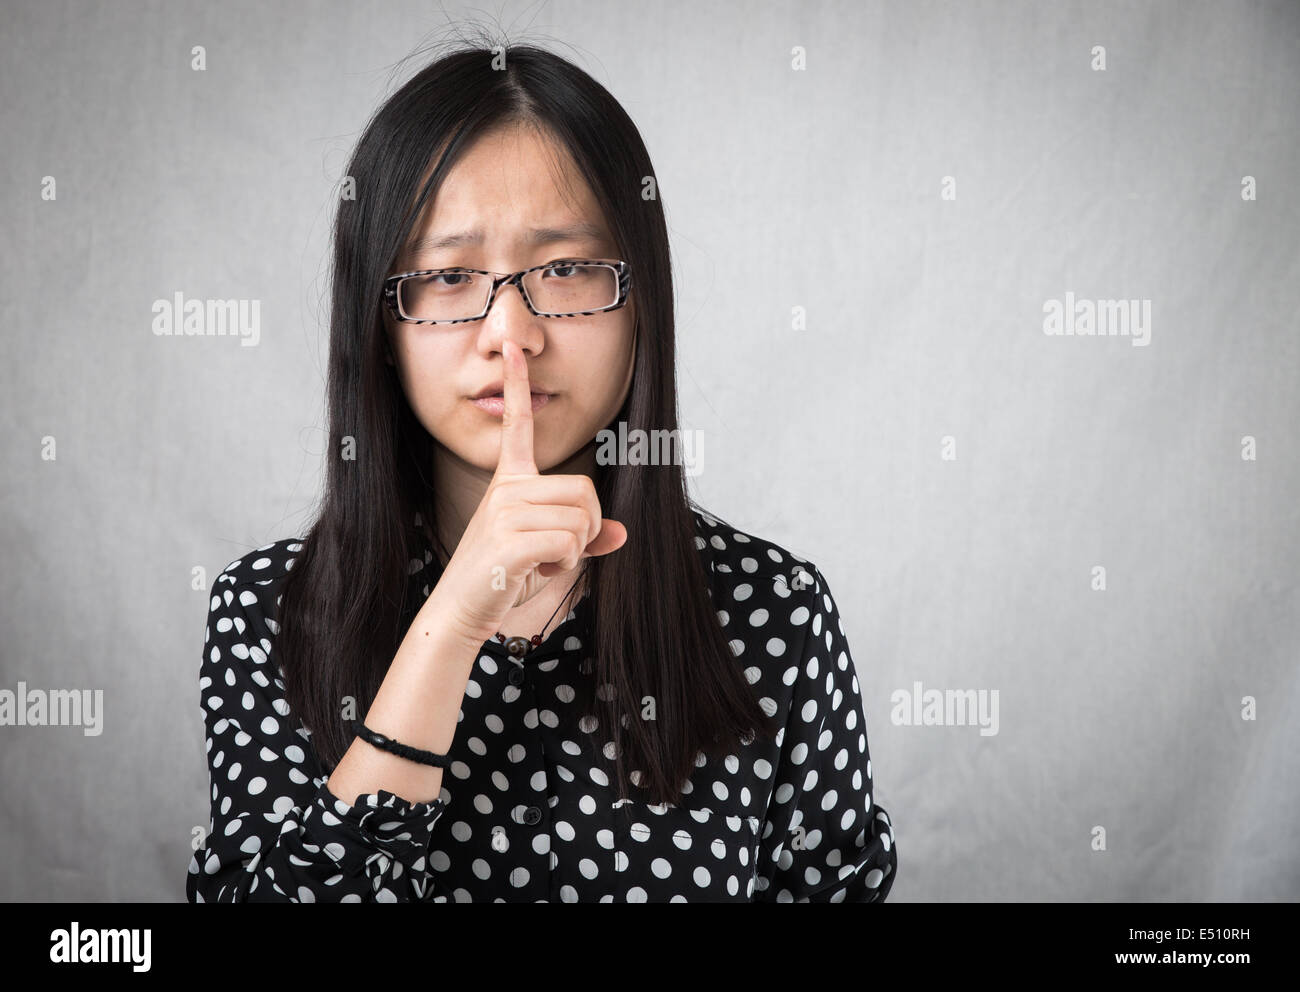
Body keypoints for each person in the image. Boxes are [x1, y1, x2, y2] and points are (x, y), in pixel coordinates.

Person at [186, 39, 896, 903]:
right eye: (448, 275)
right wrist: (450, 625)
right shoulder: (272, 616)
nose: (512, 333)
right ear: (382, 325)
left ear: (643, 306)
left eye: (563, 269)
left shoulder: (775, 616)